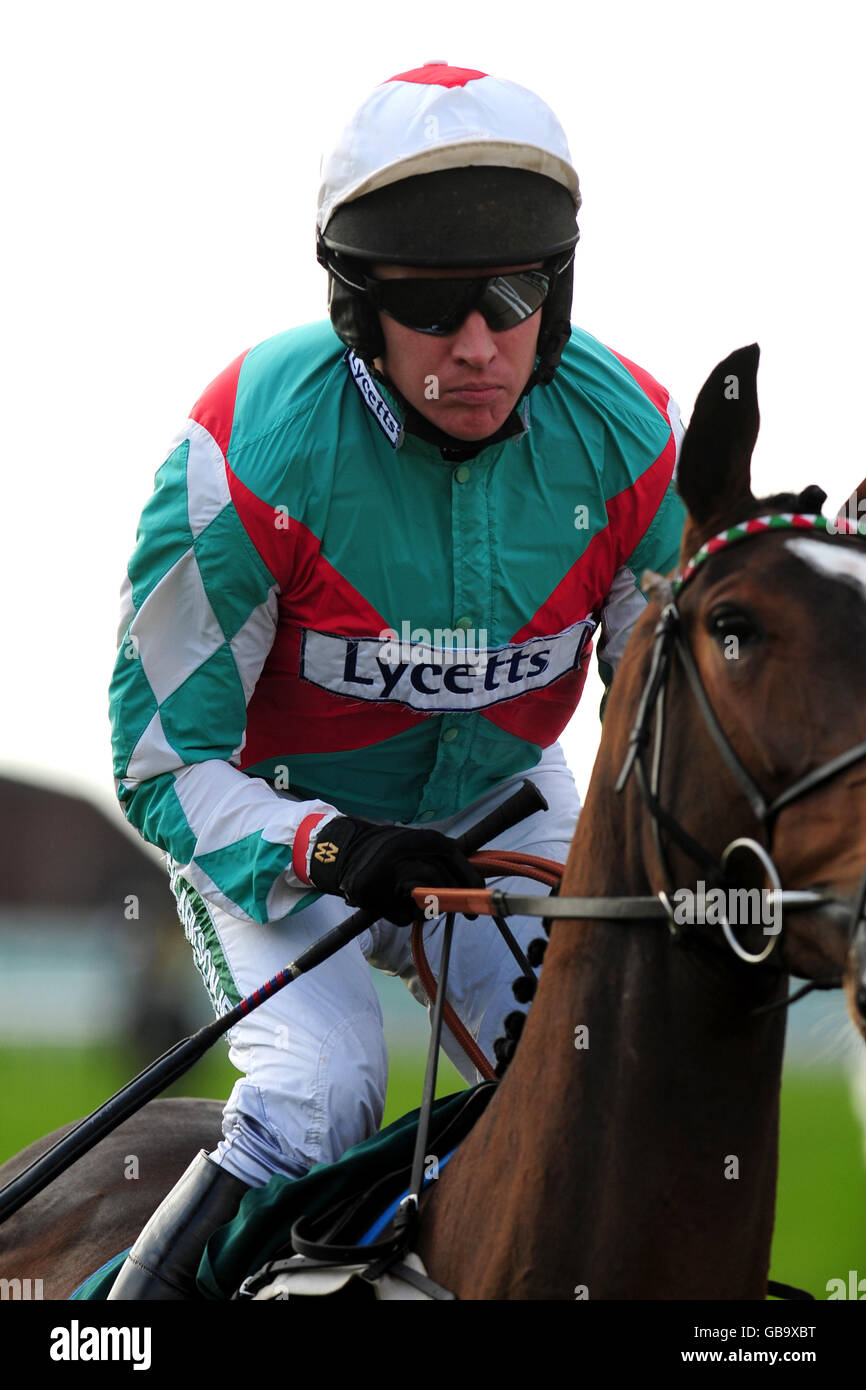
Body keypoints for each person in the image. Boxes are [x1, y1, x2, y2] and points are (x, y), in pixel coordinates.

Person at [106, 61, 686, 1299]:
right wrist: (323, 848)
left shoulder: (634, 440)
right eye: (433, 312)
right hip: (272, 812)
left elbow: (666, 715)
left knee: (609, 1069)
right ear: (358, 309)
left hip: (503, 798)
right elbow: (162, 763)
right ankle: (118, 1319)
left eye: (511, 297)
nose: (477, 348)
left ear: (558, 291)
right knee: (320, 1091)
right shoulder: (244, 454)